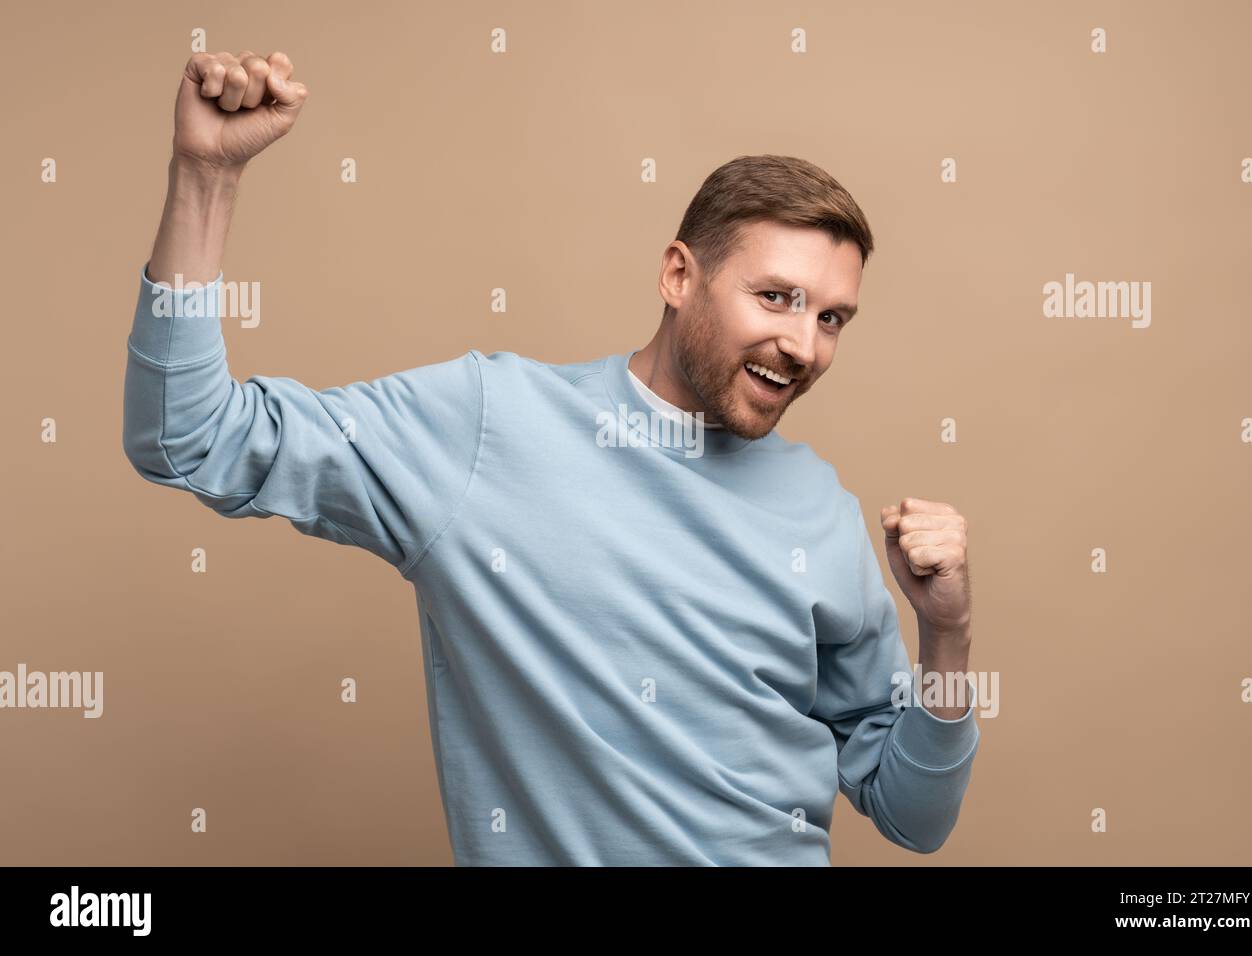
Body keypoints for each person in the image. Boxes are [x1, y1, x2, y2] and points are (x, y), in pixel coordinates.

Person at [123, 50, 981, 866]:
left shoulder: (819, 510)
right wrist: (206, 178)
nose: (802, 344)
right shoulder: (486, 428)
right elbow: (188, 435)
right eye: (776, 298)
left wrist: (946, 633)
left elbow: (914, 816)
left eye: (831, 318)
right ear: (679, 276)